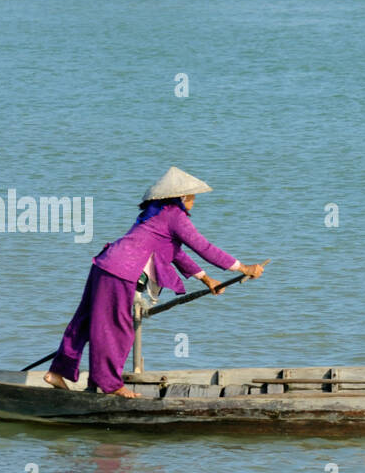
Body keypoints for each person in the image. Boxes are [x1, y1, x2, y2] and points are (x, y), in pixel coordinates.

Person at [44, 167, 265, 398]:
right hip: (120, 272)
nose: (194, 201)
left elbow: (176, 254)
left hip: (103, 265)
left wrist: (207, 279)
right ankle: (110, 384)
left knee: (85, 322)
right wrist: (243, 267)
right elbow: (203, 247)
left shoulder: (154, 214)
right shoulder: (175, 216)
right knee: (117, 329)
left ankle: (57, 372)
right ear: (181, 197)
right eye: (191, 196)